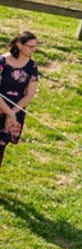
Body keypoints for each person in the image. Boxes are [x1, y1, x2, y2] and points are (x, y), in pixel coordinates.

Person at [0, 30, 39, 169]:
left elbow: (29, 94)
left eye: (35, 46)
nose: (33, 50)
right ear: (19, 45)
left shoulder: (32, 66)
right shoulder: (2, 62)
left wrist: (14, 112)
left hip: (16, 110)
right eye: (30, 46)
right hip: (1, 107)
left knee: (1, 146)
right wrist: (9, 113)